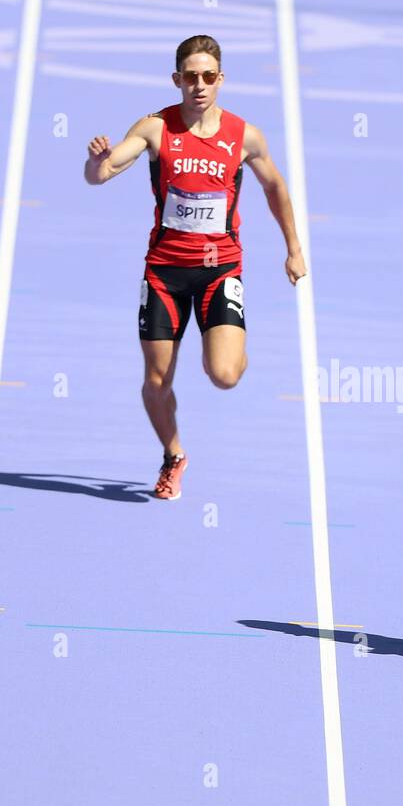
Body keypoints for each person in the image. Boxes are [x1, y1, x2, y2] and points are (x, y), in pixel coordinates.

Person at [84, 35, 307, 501]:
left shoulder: (245, 136)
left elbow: (275, 188)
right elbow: (101, 174)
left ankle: (228, 340)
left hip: (220, 270)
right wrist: (97, 161)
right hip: (165, 272)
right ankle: (173, 455)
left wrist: (293, 247)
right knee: (155, 382)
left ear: (220, 80)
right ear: (177, 80)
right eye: (190, 77)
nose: (199, 85)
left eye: (208, 77)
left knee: (224, 375)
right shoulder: (154, 128)